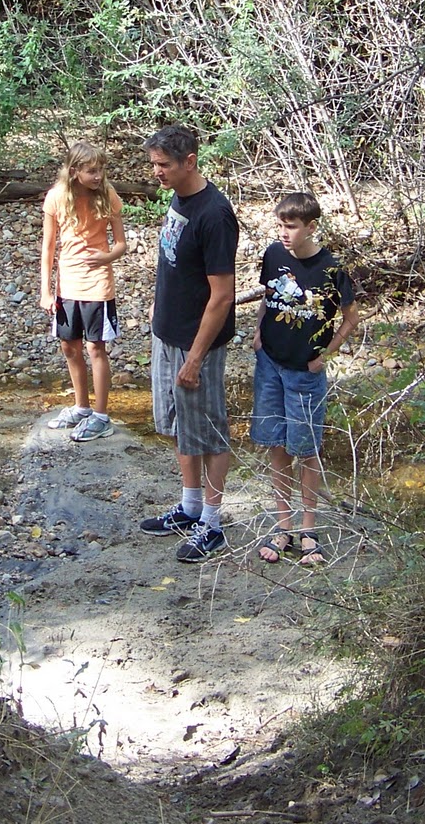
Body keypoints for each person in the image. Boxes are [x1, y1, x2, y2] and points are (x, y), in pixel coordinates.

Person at [137, 125, 240, 562]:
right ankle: (190, 505)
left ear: (189, 162)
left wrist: (195, 357)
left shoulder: (215, 214)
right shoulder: (180, 198)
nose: (156, 172)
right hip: (169, 332)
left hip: (198, 344)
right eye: (154, 164)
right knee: (181, 424)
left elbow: (222, 295)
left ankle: (212, 524)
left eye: (163, 165)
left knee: (211, 430)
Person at [250, 192, 358, 567]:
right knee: (275, 445)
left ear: (311, 227)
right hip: (270, 365)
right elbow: (268, 295)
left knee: (306, 449)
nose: (284, 233)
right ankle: (283, 527)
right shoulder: (274, 255)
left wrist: (325, 356)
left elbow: (350, 319)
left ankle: (309, 530)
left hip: (305, 372)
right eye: (280, 225)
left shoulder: (331, 268)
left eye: (291, 227)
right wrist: (259, 331)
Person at [39, 140, 129, 442]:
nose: (98, 176)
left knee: (96, 348)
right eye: (92, 171)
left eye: (101, 170)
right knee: (69, 347)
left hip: (97, 285)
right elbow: (48, 248)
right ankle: (81, 407)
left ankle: (102, 416)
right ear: (75, 171)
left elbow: (120, 245)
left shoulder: (108, 196)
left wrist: (105, 257)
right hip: (68, 285)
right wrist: (46, 291)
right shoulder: (56, 198)